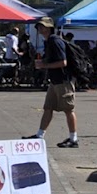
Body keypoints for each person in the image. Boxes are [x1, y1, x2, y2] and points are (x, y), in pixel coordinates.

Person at [24, 18, 78, 148]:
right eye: (39, 27)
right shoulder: (49, 41)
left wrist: (44, 65)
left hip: (63, 81)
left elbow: (63, 62)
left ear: (49, 27)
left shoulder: (55, 41)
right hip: (55, 81)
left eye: (43, 26)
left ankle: (73, 139)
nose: (41, 29)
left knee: (68, 109)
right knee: (48, 108)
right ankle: (40, 135)